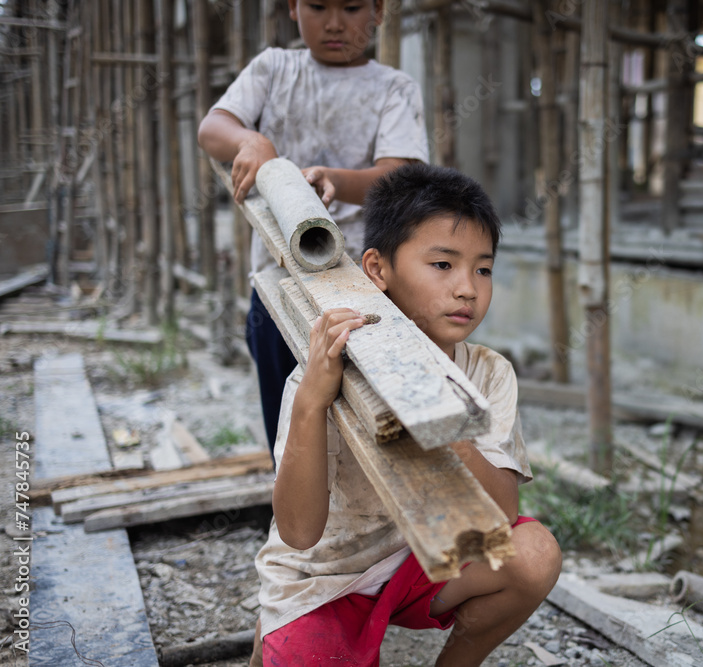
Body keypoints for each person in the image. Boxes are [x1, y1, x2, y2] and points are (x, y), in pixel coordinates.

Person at [251, 164, 562, 666]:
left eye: (483, 269)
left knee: (535, 553)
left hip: (423, 562)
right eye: (442, 264)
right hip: (325, 578)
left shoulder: (487, 374)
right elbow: (300, 533)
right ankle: (286, 633)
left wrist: (445, 418)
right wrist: (312, 400)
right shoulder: (325, 372)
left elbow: (502, 514)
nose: (467, 288)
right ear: (377, 270)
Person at [197, 0, 427, 457]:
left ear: (379, 11)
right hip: (278, 286)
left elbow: (398, 175)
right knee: (289, 429)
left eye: (352, 7)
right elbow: (212, 128)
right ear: (292, 7)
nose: (335, 23)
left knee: (363, 433)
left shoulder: (394, 88)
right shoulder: (273, 69)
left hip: (365, 292)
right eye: (318, 6)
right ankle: (292, 500)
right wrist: (251, 140)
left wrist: (335, 179)